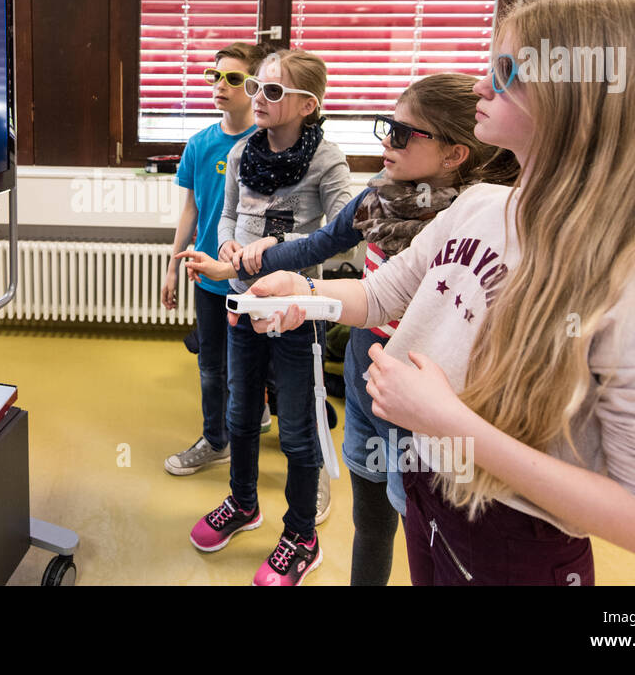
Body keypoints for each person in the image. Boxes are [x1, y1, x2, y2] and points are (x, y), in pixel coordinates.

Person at [239, 0, 635, 585]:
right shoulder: (480, 208)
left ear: (580, 98)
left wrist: (449, 421)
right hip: (429, 494)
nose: (478, 88)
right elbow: (381, 296)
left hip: (515, 547)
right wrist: (301, 295)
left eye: (504, 71)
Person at [183, 72, 518, 585]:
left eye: (404, 134)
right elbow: (316, 249)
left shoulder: (473, 221)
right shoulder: (378, 196)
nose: (387, 141)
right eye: (387, 126)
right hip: (368, 379)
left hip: (428, 401)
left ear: (454, 156)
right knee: (372, 523)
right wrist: (237, 269)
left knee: (429, 533)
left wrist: (291, 288)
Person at [183, 49, 350, 586]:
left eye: (272, 92)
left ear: (307, 105)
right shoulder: (242, 152)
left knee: (298, 431)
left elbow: (343, 229)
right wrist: (230, 243)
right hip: (241, 305)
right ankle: (244, 504)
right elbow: (229, 213)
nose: (257, 98)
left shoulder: (327, 159)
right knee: (240, 416)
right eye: (256, 86)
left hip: (294, 313)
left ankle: (302, 535)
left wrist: (276, 248)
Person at [162, 42, 268, 476]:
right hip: (208, 276)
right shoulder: (200, 144)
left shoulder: (268, 145)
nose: (220, 86)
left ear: (256, 86)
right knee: (210, 367)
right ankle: (215, 439)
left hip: (256, 279)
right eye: (215, 75)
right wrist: (171, 267)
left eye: (233, 78)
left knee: (255, 366)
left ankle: (255, 415)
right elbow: (190, 210)